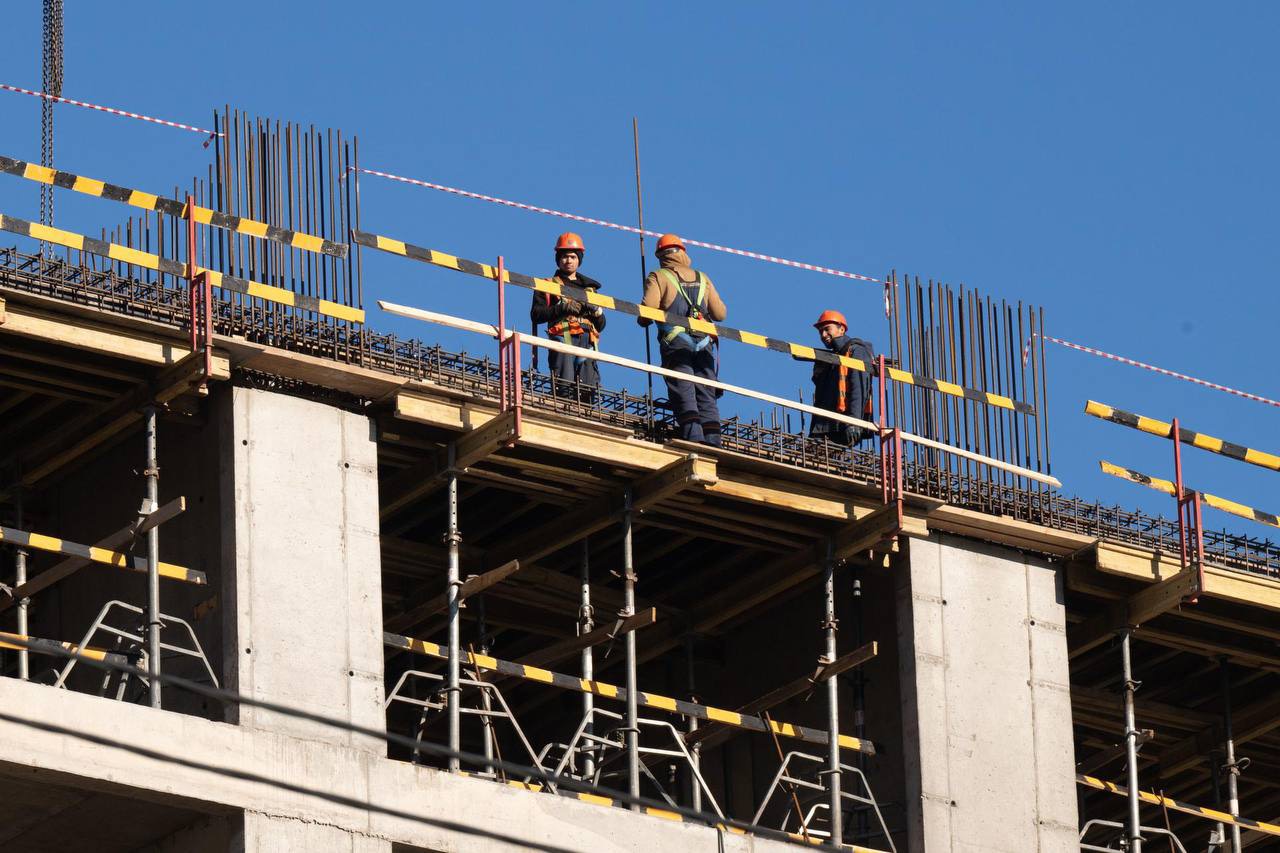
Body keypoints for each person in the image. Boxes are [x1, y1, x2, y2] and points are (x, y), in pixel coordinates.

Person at [638, 233, 728, 446]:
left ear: (661, 256)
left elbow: (647, 310)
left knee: (684, 390)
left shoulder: (658, 276)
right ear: (683, 252)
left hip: (676, 343)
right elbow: (720, 314)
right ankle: (714, 440)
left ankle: (694, 438)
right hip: (704, 343)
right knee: (706, 391)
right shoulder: (702, 278)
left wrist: (643, 320)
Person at [531, 232, 606, 402]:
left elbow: (601, 324)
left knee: (588, 388)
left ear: (579, 259)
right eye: (564, 257)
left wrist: (596, 311)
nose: (568, 261)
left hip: (587, 341)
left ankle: (587, 417)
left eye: (572, 256)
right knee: (564, 386)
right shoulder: (548, 285)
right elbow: (536, 315)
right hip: (563, 339)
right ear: (558, 259)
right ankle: (565, 413)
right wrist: (563, 308)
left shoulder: (590, 289)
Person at [805, 310, 876, 446]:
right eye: (820, 332)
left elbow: (859, 388)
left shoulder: (856, 350)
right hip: (823, 426)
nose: (823, 335)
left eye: (827, 329)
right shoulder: (830, 358)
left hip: (842, 425)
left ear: (841, 329)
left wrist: (854, 422)